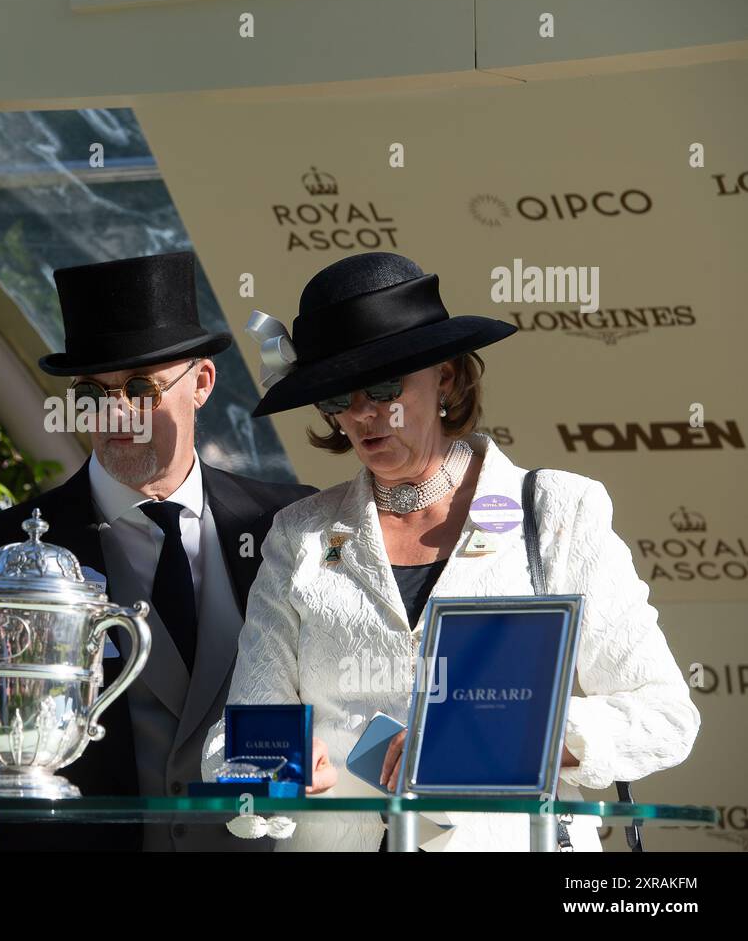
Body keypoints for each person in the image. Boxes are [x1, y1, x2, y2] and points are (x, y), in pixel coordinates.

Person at [203, 252, 700, 851]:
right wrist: (276, 770)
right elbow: (238, 743)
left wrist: (488, 735)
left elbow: (664, 716)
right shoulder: (299, 534)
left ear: (447, 375)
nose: (362, 414)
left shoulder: (558, 512)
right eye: (336, 397)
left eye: (383, 387)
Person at [0, 250, 315, 852]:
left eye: (140, 388)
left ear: (202, 383)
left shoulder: (290, 525)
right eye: (92, 391)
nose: (116, 412)